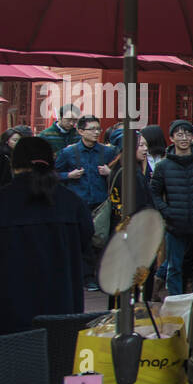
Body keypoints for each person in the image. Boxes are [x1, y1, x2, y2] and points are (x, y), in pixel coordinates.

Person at [0, 136, 93, 338]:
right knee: (58, 361)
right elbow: (86, 243)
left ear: (15, 165)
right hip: (61, 306)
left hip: (7, 309)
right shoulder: (72, 202)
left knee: (6, 364)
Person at [151, 119, 193, 297]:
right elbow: (154, 194)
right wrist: (167, 212)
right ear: (171, 138)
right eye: (179, 134)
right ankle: (175, 301)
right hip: (175, 225)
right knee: (174, 267)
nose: (184, 138)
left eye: (187, 134)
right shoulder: (163, 166)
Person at [53, 116, 116, 292]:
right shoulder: (68, 152)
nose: (96, 132)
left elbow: (120, 176)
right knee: (82, 242)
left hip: (101, 204)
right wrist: (68, 176)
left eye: (98, 129)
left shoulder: (108, 152)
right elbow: (53, 175)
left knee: (101, 240)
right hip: (78, 204)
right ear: (80, 131)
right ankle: (86, 277)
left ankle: (99, 276)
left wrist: (109, 173)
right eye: (92, 129)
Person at [105, 134, 157, 309]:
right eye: (140, 145)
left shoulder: (122, 170)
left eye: (145, 145)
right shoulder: (129, 174)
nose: (144, 149)